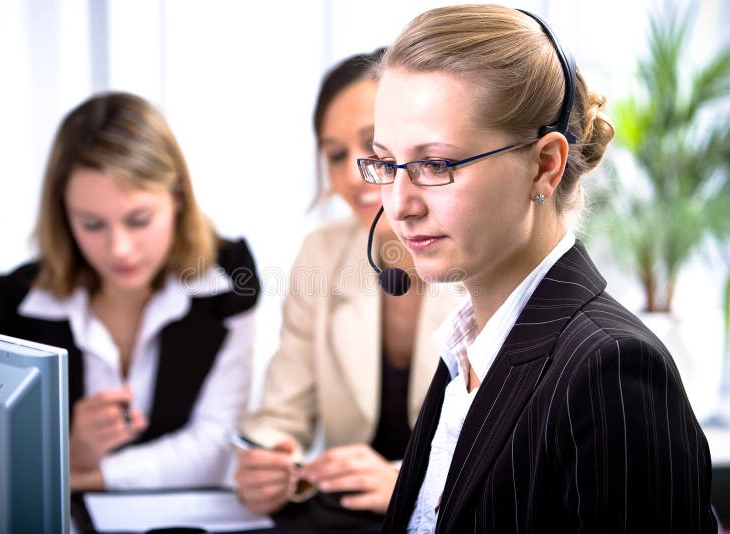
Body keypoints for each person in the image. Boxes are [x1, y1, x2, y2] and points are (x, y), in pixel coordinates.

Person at [356, 5, 717, 533]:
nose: (399, 204)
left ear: (544, 164)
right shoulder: (468, 352)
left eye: (436, 164)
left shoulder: (610, 369)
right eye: (387, 163)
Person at [0, 91, 260, 492]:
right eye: (92, 224)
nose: (119, 249)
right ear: (63, 215)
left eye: (139, 220)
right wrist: (70, 450)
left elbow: (216, 447)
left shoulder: (228, 281)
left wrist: (83, 475)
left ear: (179, 199)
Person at [233, 50, 460, 520]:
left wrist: (403, 482)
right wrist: (271, 464)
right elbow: (281, 415)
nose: (358, 170)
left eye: (376, 145)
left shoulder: (479, 252)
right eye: (337, 154)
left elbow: (514, 453)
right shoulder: (321, 253)